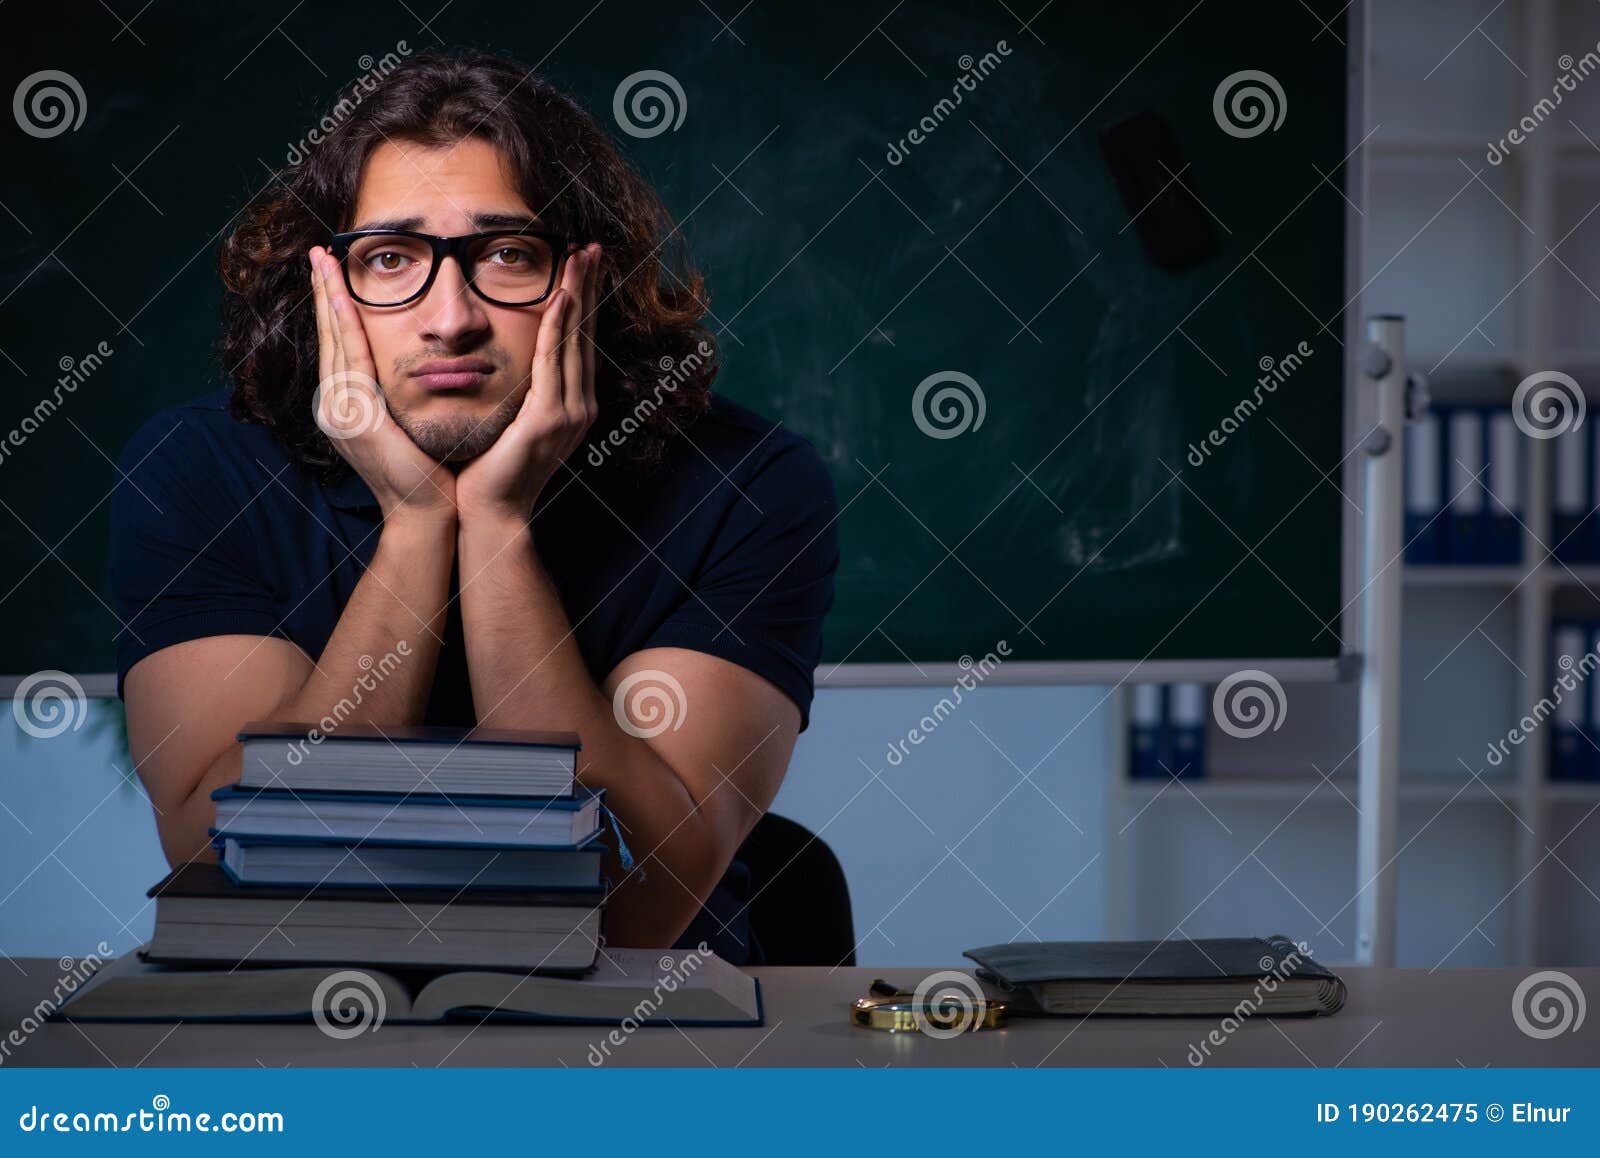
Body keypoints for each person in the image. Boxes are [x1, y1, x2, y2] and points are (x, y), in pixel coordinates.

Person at [109, 51, 839, 964]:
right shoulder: (197, 470)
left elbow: (635, 910)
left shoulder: (748, 486)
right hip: (298, 1018)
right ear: (323, 287)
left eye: (506, 255)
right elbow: (238, 867)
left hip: (645, 1028)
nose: (450, 318)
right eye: (390, 259)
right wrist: (417, 525)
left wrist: (496, 526)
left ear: (590, 276)